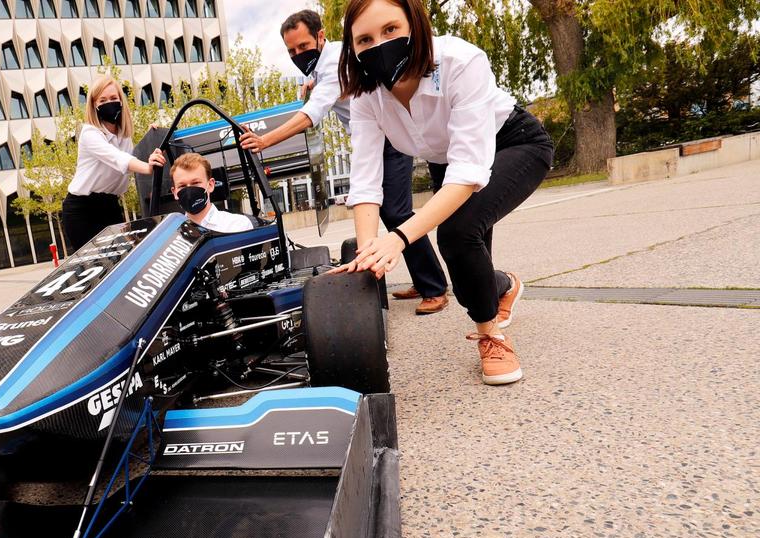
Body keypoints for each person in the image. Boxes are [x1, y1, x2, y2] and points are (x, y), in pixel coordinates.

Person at [330, 0, 554, 385]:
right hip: (446, 158)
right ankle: (502, 287)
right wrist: (369, 252)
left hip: (512, 143)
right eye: (364, 39)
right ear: (352, 49)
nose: (379, 44)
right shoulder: (366, 96)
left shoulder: (461, 61)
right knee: (469, 253)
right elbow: (366, 178)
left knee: (456, 233)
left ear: (415, 25)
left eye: (390, 30)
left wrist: (398, 239)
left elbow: (468, 171)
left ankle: (491, 336)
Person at [239, 9, 449, 315]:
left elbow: (311, 115)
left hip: (390, 137)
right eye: (292, 51)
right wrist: (311, 83)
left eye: (304, 46)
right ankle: (425, 280)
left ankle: (434, 288)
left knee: (396, 211)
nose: (298, 55)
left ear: (321, 36)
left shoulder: (336, 63)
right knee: (394, 213)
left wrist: (264, 140)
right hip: (374, 139)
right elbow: (328, 88)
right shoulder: (326, 64)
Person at [63, 76, 166, 251]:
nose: (108, 103)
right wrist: (148, 168)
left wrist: (152, 138)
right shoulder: (90, 134)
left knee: (119, 259)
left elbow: (134, 157)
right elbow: (119, 159)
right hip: (82, 210)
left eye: (113, 98)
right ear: (94, 105)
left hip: (110, 204)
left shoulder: (124, 136)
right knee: (94, 266)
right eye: (102, 100)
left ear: (121, 101)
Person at [169, 153, 253, 233]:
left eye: (195, 183)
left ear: (210, 185)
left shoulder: (238, 225)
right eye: (182, 186)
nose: (189, 190)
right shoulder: (169, 235)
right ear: (175, 192)